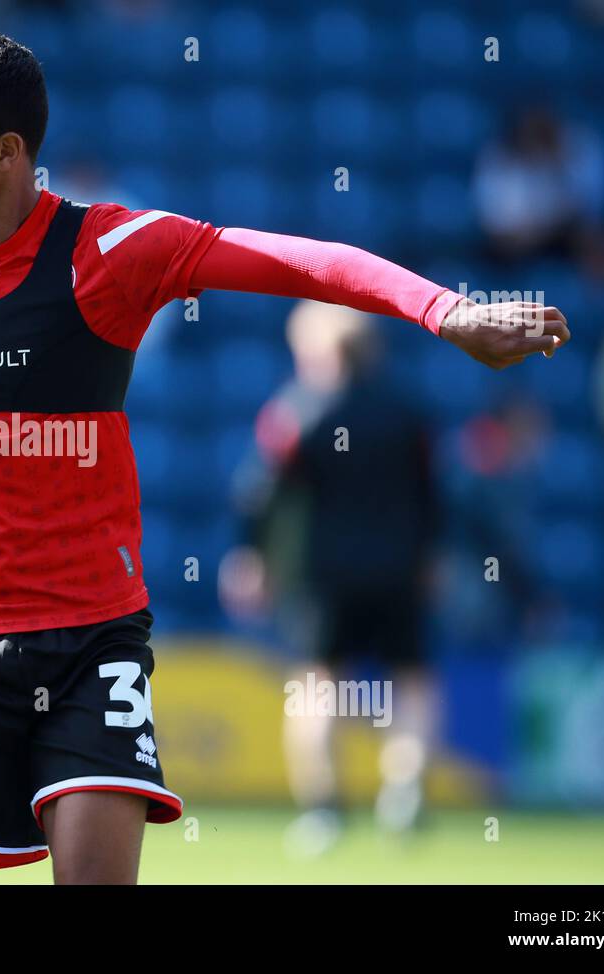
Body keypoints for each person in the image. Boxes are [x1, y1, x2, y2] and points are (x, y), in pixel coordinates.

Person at [0, 33, 570, 886]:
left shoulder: (111, 251)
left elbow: (304, 262)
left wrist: (443, 311)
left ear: (7, 154)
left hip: (87, 644)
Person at [220, 303, 441, 854]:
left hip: (325, 574)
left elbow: (258, 492)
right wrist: (433, 558)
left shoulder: (298, 413)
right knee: (411, 681)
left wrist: (251, 557)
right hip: (399, 569)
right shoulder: (407, 412)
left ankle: (323, 810)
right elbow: (434, 493)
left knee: (318, 685)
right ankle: (404, 787)